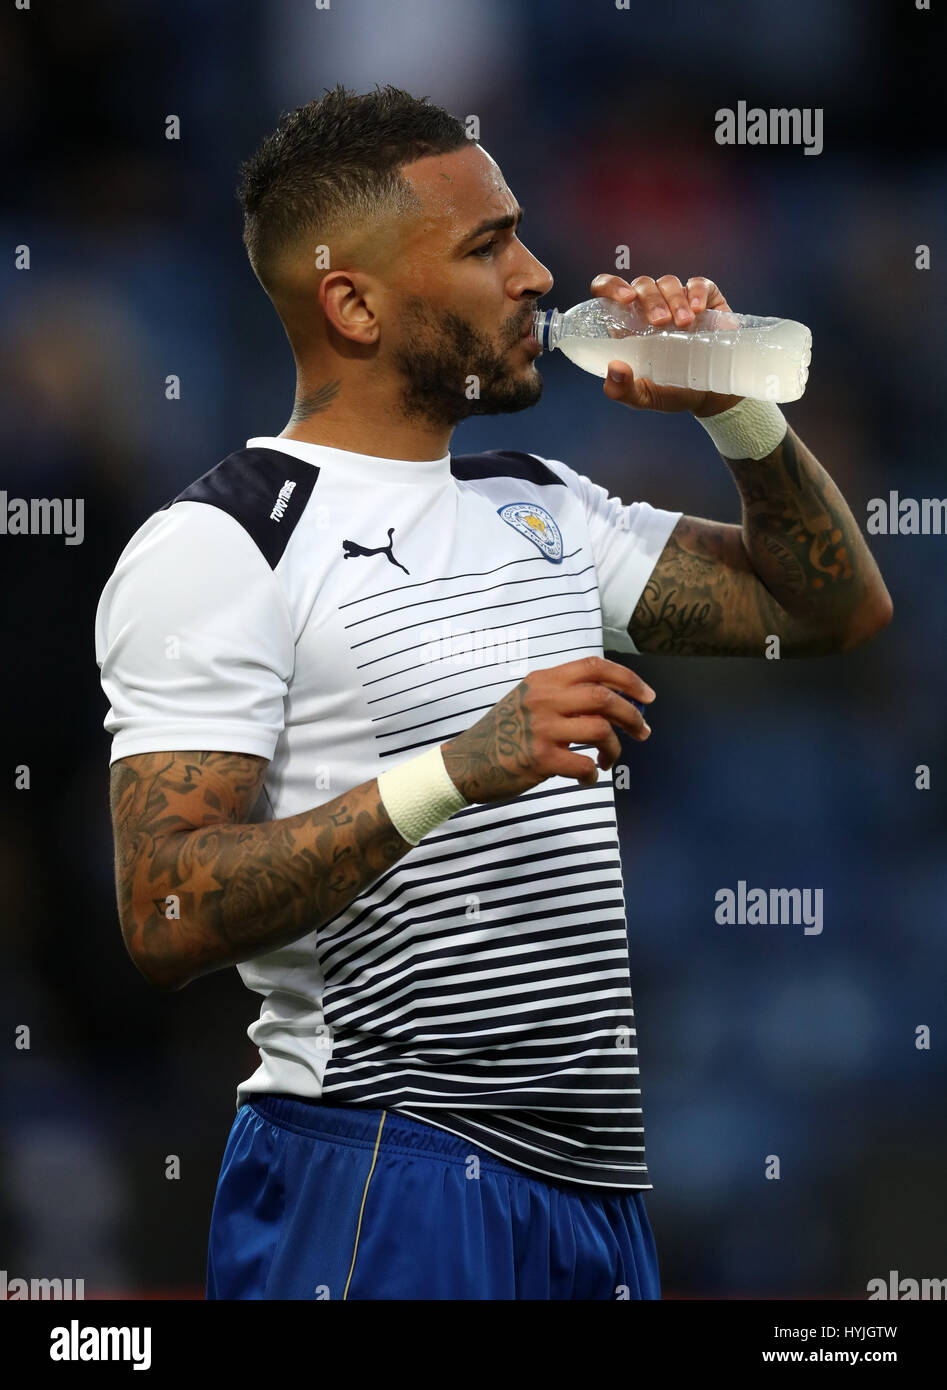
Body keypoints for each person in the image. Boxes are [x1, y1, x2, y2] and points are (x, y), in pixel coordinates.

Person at [94, 85, 892, 1301]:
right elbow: (161, 912)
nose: (538, 274)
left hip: (594, 1191)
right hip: (375, 1168)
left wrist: (731, 404)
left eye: (518, 231)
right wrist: (452, 770)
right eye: (485, 246)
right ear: (351, 303)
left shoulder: (540, 500)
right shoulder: (225, 539)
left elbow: (827, 610)